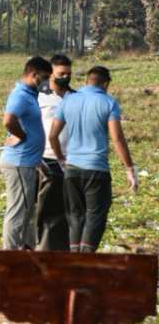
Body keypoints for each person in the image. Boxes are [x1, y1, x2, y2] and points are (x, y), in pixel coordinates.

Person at [49, 65, 137, 253]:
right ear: (105, 83)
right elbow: (117, 138)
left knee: (75, 216)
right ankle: (86, 259)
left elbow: (53, 135)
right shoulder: (108, 102)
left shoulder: (68, 100)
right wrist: (130, 169)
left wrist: (61, 160)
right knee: (95, 216)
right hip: (96, 170)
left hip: (71, 168)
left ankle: (74, 259)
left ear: (87, 81)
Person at [0, 56, 52, 251]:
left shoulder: (30, 94)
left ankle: (27, 248)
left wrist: (40, 161)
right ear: (33, 74)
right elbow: (8, 120)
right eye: (45, 77)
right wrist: (20, 135)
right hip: (19, 162)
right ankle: (10, 253)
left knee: (28, 210)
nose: (47, 82)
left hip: (29, 162)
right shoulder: (20, 95)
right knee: (18, 211)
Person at [35, 54, 72, 251]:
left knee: (65, 210)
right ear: (51, 74)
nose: (65, 77)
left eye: (68, 73)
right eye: (61, 73)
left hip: (70, 161)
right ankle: (39, 245)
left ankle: (58, 249)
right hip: (44, 159)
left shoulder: (74, 97)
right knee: (43, 208)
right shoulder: (39, 96)